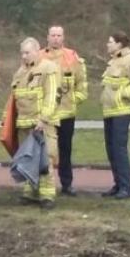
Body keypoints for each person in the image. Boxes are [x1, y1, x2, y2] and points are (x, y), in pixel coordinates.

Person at [8, 37, 62, 209]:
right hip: (24, 123)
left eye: (27, 52)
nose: (24, 56)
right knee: (28, 159)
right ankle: (30, 191)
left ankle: (47, 195)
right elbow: (13, 99)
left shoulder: (48, 68)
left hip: (42, 123)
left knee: (45, 159)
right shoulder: (20, 72)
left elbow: (52, 95)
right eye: (22, 53)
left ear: (37, 51)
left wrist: (44, 118)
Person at [100, 32, 130, 199]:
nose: (107, 44)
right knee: (111, 149)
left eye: (110, 42)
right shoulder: (114, 60)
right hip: (109, 111)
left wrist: (125, 94)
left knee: (119, 149)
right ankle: (118, 184)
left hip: (122, 111)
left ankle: (127, 188)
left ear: (119, 44)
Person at [43, 26, 88, 195]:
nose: (55, 38)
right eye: (53, 35)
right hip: (46, 115)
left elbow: (81, 83)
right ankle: (44, 183)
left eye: (58, 35)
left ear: (63, 37)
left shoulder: (71, 56)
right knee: (46, 151)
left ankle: (67, 184)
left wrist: (75, 99)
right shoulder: (40, 56)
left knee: (65, 149)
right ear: (47, 37)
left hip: (67, 112)